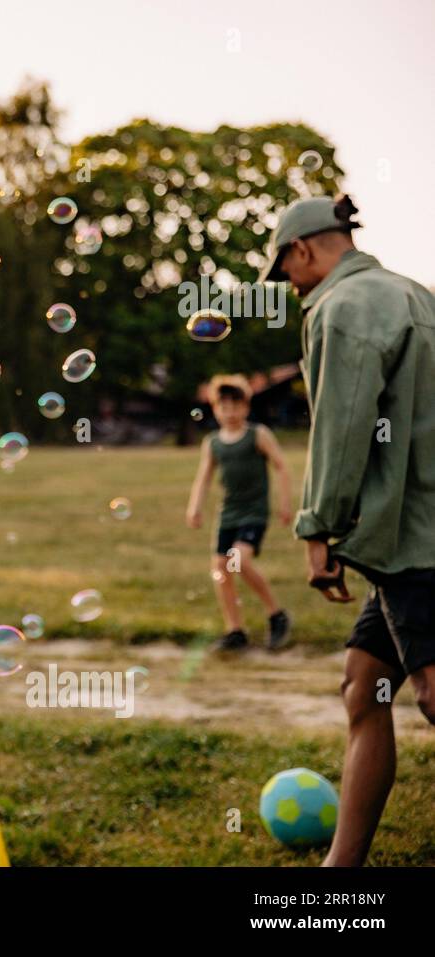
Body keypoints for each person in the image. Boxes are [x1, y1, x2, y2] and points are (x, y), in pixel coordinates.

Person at [260, 193, 435, 866]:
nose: (291, 286)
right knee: (366, 682)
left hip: (412, 539)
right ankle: (342, 869)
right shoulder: (415, 294)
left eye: (287, 271)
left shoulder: (340, 308)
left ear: (302, 249)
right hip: (405, 534)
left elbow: (341, 427)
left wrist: (319, 530)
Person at [185, 373, 293, 650]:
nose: (230, 412)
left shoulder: (258, 435)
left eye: (236, 406)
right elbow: (204, 477)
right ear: (215, 409)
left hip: (254, 512)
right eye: (224, 406)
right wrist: (195, 507)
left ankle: (276, 614)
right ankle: (235, 630)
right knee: (221, 570)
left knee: (239, 560)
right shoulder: (213, 442)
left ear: (246, 407)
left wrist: (284, 504)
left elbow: (281, 466)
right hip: (229, 513)